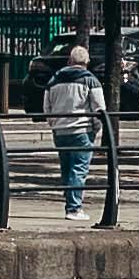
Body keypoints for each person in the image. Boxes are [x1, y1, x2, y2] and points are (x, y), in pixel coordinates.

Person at [45, 28, 107, 216]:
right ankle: (74, 208)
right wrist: (95, 129)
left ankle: (70, 203)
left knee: (66, 169)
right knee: (79, 169)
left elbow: (47, 107)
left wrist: (54, 123)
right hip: (81, 130)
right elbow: (99, 108)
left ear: (69, 60)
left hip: (60, 131)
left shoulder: (54, 80)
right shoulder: (90, 80)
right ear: (86, 63)